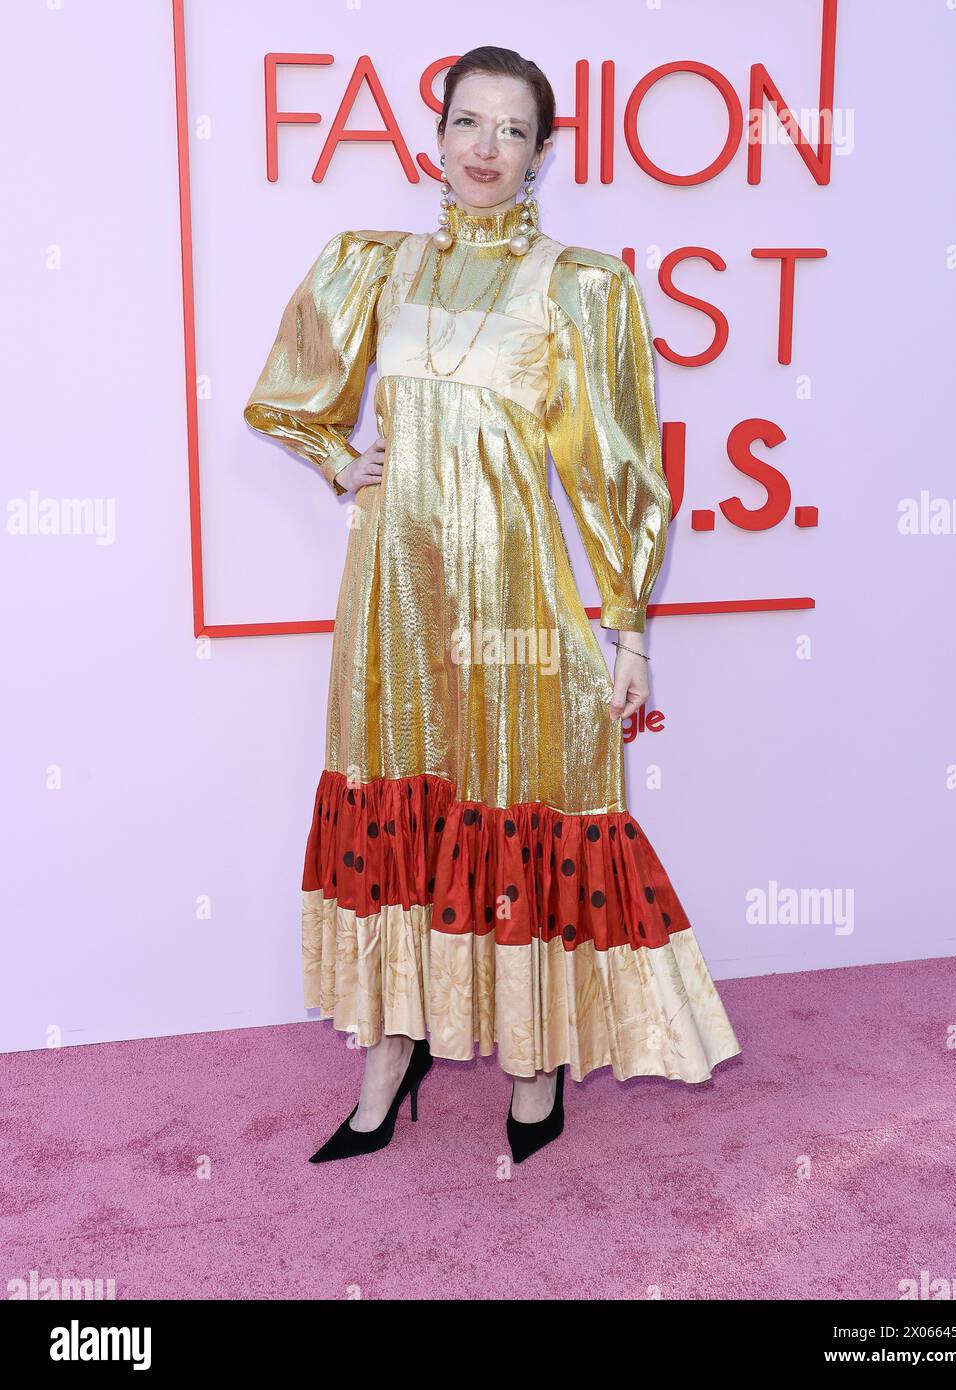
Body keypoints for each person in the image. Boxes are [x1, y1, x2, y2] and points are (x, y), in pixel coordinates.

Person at [243, 45, 741, 1165]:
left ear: (540, 153)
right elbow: (288, 394)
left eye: (511, 131)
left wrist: (626, 625)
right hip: (393, 604)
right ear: (436, 138)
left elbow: (617, 468)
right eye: (468, 123)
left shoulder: (581, 283)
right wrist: (338, 457)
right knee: (404, 809)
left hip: (515, 602)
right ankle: (392, 1047)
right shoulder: (375, 265)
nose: (484, 148)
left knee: (521, 801)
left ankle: (533, 1056)